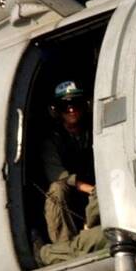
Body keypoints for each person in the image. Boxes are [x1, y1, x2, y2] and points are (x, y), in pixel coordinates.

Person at [41, 80, 96, 247]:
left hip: (95, 192)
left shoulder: (94, 131)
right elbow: (60, 178)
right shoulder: (52, 142)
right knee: (57, 190)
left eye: (75, 104)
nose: (71, 109)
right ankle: (67, 247)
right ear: (57, 111)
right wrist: (91, 190)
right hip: (73, 196)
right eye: (65, 106)